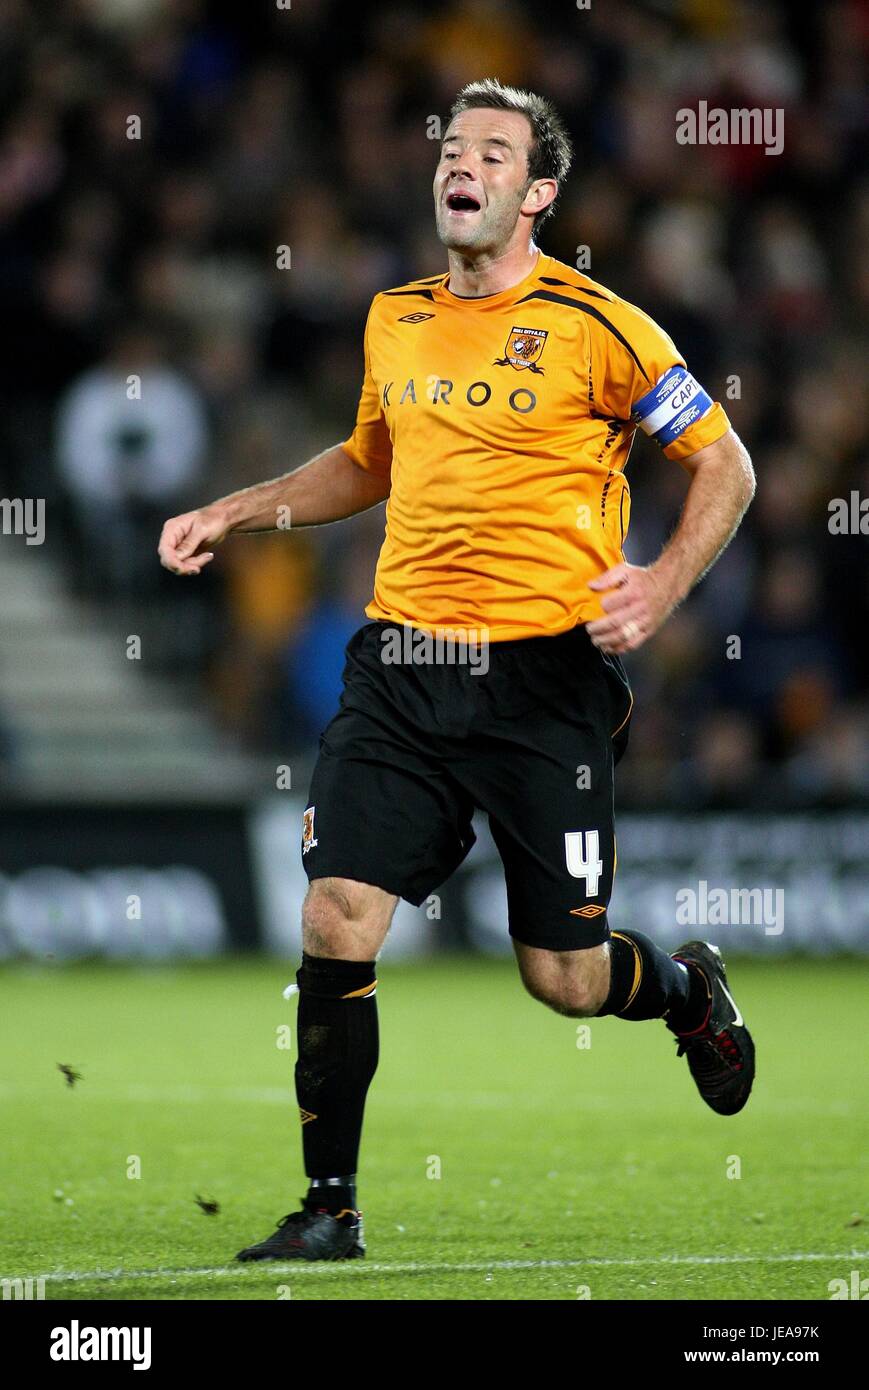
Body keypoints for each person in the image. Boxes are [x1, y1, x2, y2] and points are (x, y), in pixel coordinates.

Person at [159, 79, 757, 1263]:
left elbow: (725, 467)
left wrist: (660, 584)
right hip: (401, 667)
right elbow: (366, 461)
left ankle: (686, 995)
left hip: (544, 683)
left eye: (491, 150)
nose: (458, 162)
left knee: (564, 979)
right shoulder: (397, 317)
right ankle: (329, 1207)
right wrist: (241, 508)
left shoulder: (604, 328)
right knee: (336, 917)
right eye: (449, 145)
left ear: (535, 193)